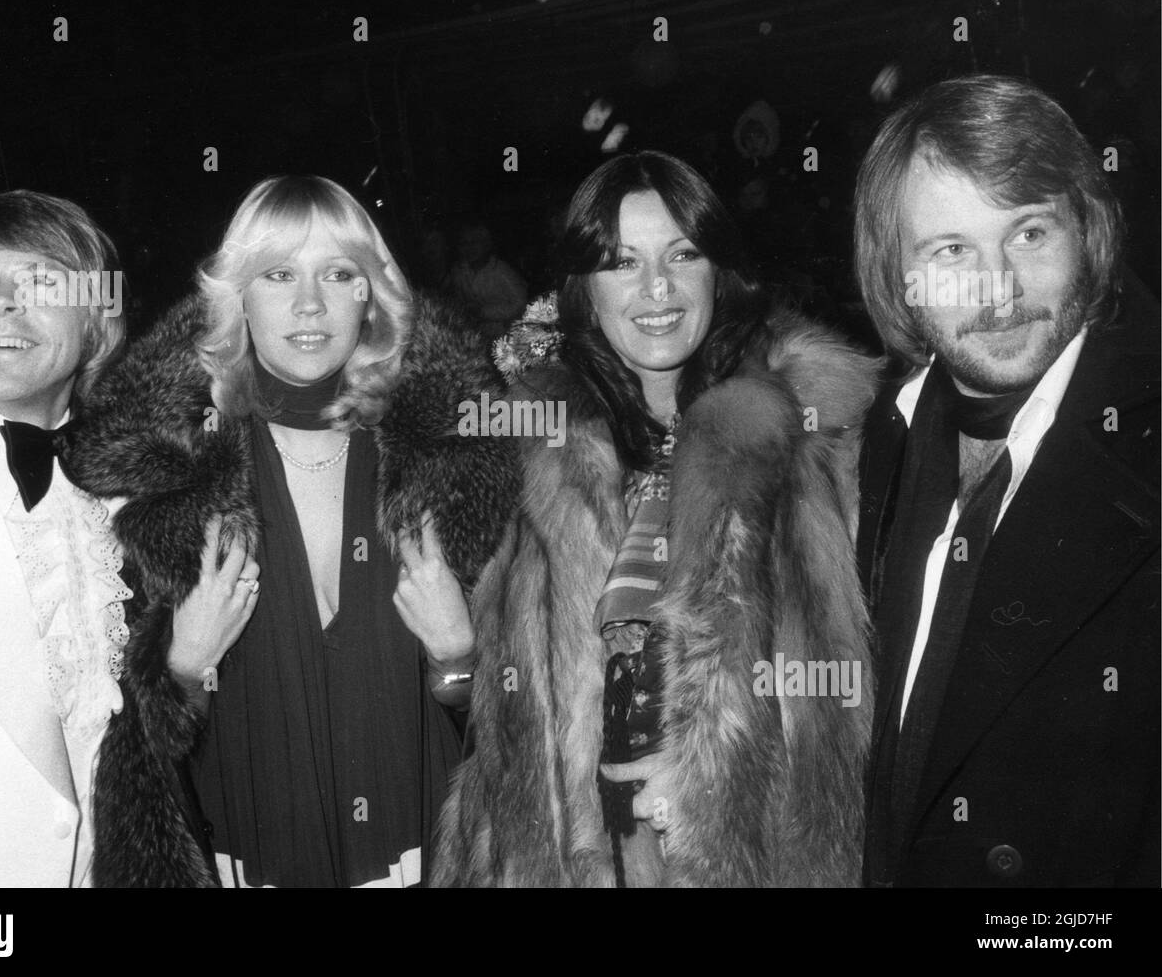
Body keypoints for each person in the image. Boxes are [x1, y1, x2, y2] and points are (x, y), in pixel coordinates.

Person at [433, 150, 879, 887]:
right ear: (583, 287)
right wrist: (453, 662)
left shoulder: (814, 439)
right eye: (622, 263)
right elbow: (504, 727)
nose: (657, 289)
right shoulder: (529, 449)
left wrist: (708, 795)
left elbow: (850, 698)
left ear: (719, 270)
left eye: (684, 254)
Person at [62, 175, 518, 886]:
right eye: (278, 274)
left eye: (339, 273)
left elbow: (533, 729)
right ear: (236, 295)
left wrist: (462, 656)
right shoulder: (166, 473)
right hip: (245, 850)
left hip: (426, 852)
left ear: (373, 295)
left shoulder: (453, 463)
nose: (310, 304)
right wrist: (180, 667)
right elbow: (112, 750)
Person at [0, 190, 253, 886]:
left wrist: (183, 672)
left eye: (42, 280)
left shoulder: (136, 500)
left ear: (95, 325)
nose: (2, 300)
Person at [855, 75, 1160, 887]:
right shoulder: (868, 445)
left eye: (1028, 234)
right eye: (952, 250)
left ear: (1088, 235)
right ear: (898, 274)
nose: (996, 289)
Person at [449, 220, 528, 340]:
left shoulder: (502, 271)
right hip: (478, 333)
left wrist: (484, 312)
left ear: (486, 244)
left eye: (475, 242)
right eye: (464, 243)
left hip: (507, 333)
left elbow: (521, 304)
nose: (469, 248)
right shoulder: (459, 271)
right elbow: (459, 299)